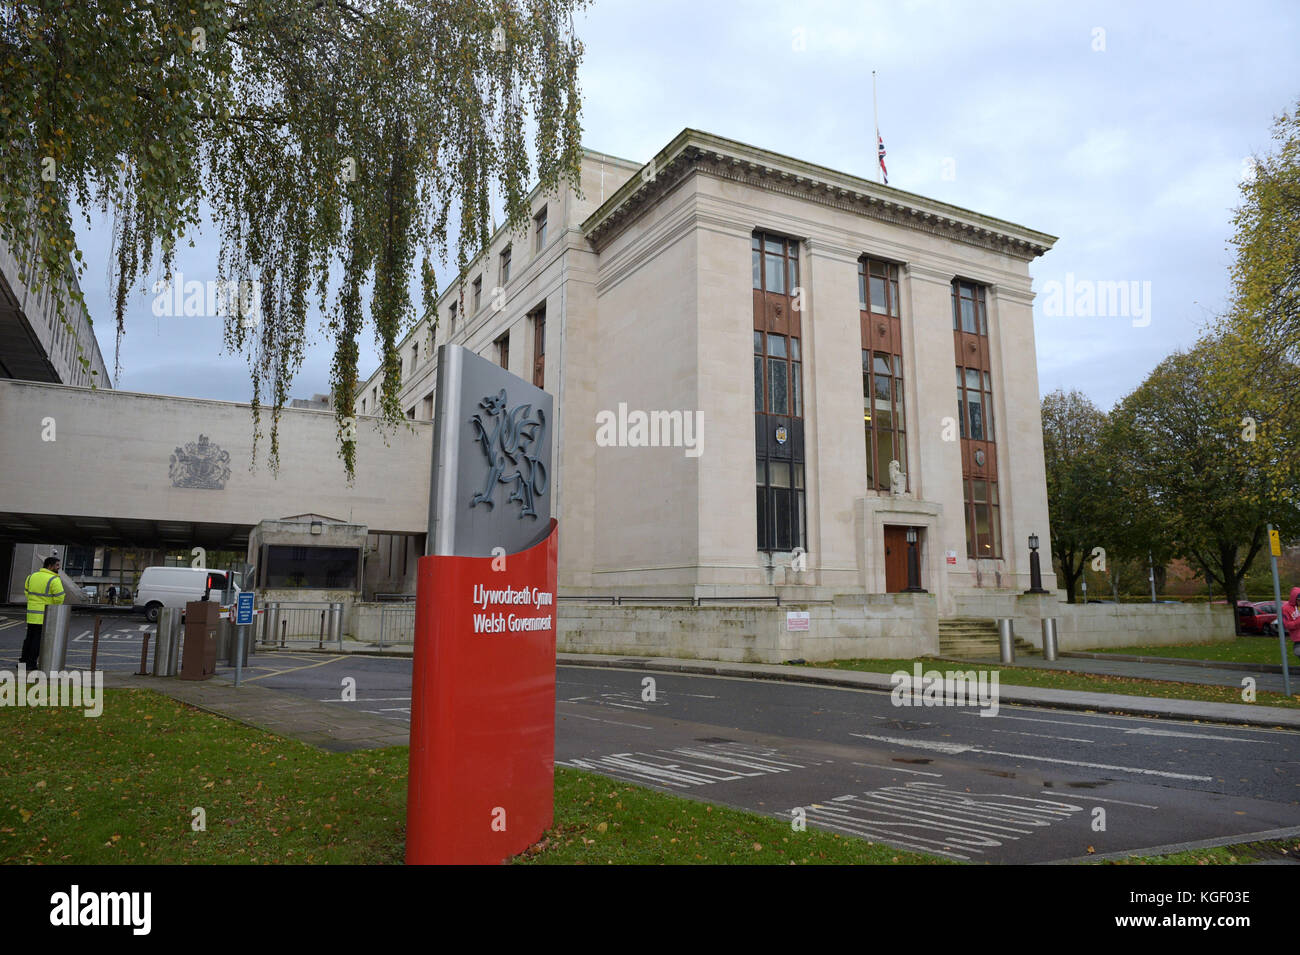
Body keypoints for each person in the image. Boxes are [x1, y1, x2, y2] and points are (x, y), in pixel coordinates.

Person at [22, 556, 66, 668]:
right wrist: (50, 603)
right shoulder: (54, 579)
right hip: (45, 615)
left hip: (31, 614)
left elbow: (27, 593)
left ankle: (22, 663)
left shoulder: (31, 576)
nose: (58, 567)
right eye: (57, 565)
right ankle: (31, 664)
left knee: (29, 639)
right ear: (50, 566)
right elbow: (60, 598)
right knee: (38, 641)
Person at [1281, 587, 1300, 657]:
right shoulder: (1286, 608)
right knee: (1298, 652)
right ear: (1294, 599)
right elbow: (1287, 625)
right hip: (1298, 639)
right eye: (1299, 600)